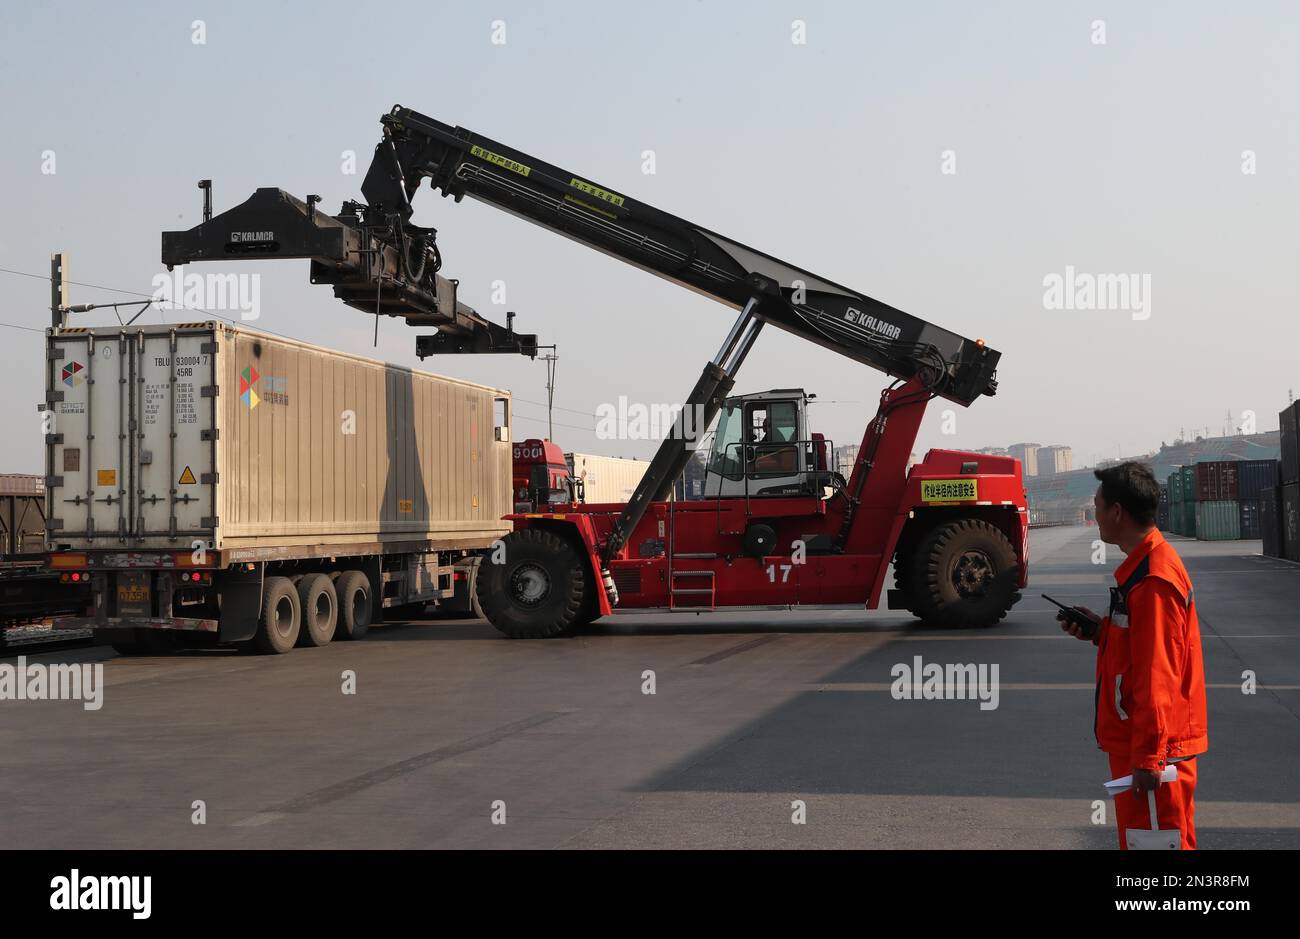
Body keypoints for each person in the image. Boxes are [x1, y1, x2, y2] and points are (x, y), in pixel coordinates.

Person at [1058, 462, 1208, 849]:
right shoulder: (1143, 570)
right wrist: (1101, 632)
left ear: (1117, 512)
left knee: (1156, 846)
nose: (1095, 514)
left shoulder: (1153, 582)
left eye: (1097, 506)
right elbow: (1142, 647)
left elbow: (1158, 675)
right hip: (1145, 746)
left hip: (1155, 751)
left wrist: (1149, 758)